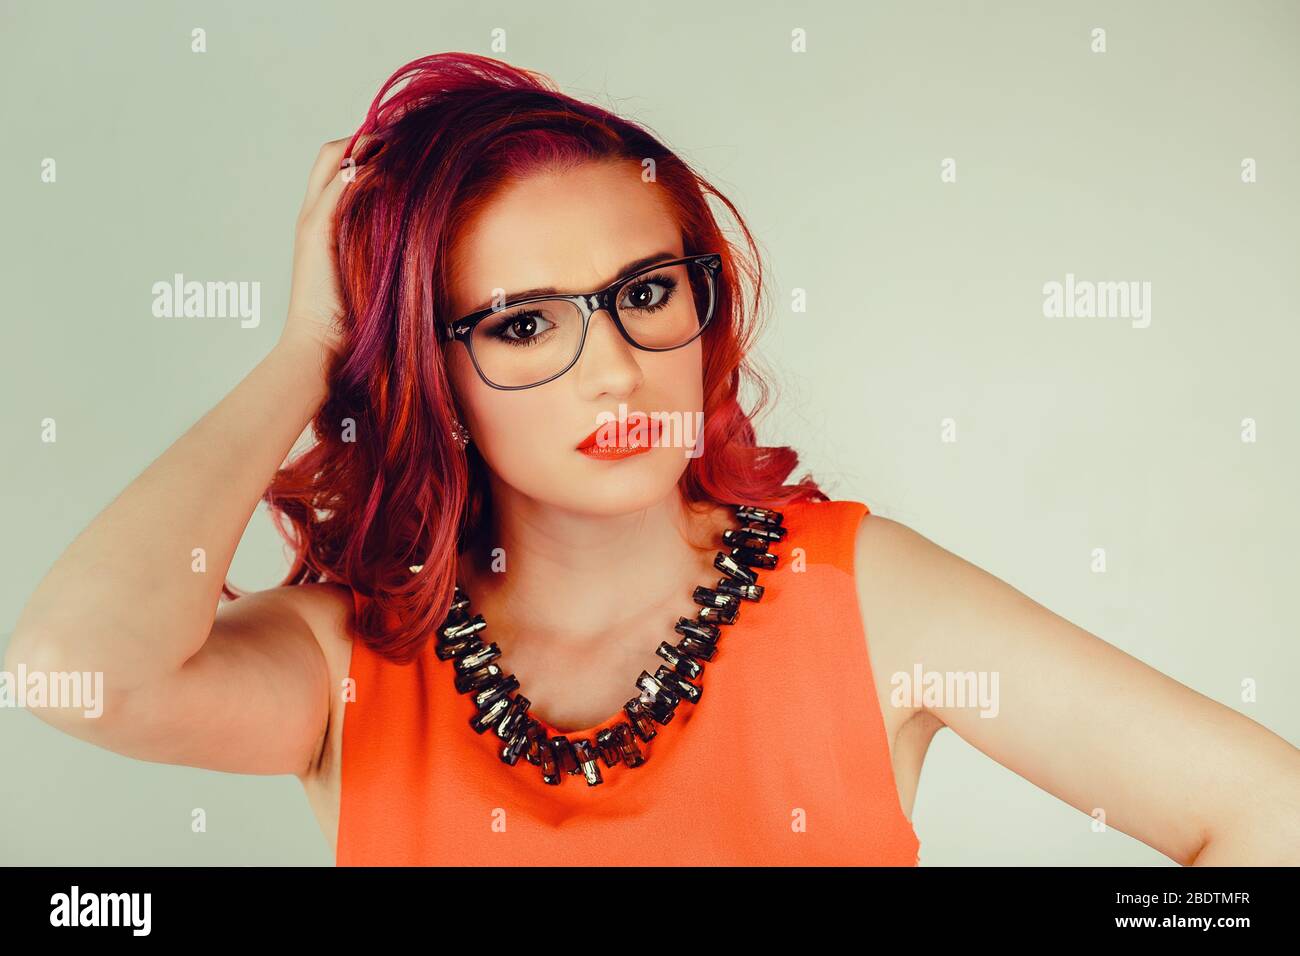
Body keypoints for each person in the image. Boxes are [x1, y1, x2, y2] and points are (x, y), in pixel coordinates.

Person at [8, 53, 1298, 867]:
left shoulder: (859, 596)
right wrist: (309, 348)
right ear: (426, 370)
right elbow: (73, 675)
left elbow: (1263, 817)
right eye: (522, 324)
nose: (616, 369)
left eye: (643, 292)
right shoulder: (350, 661)